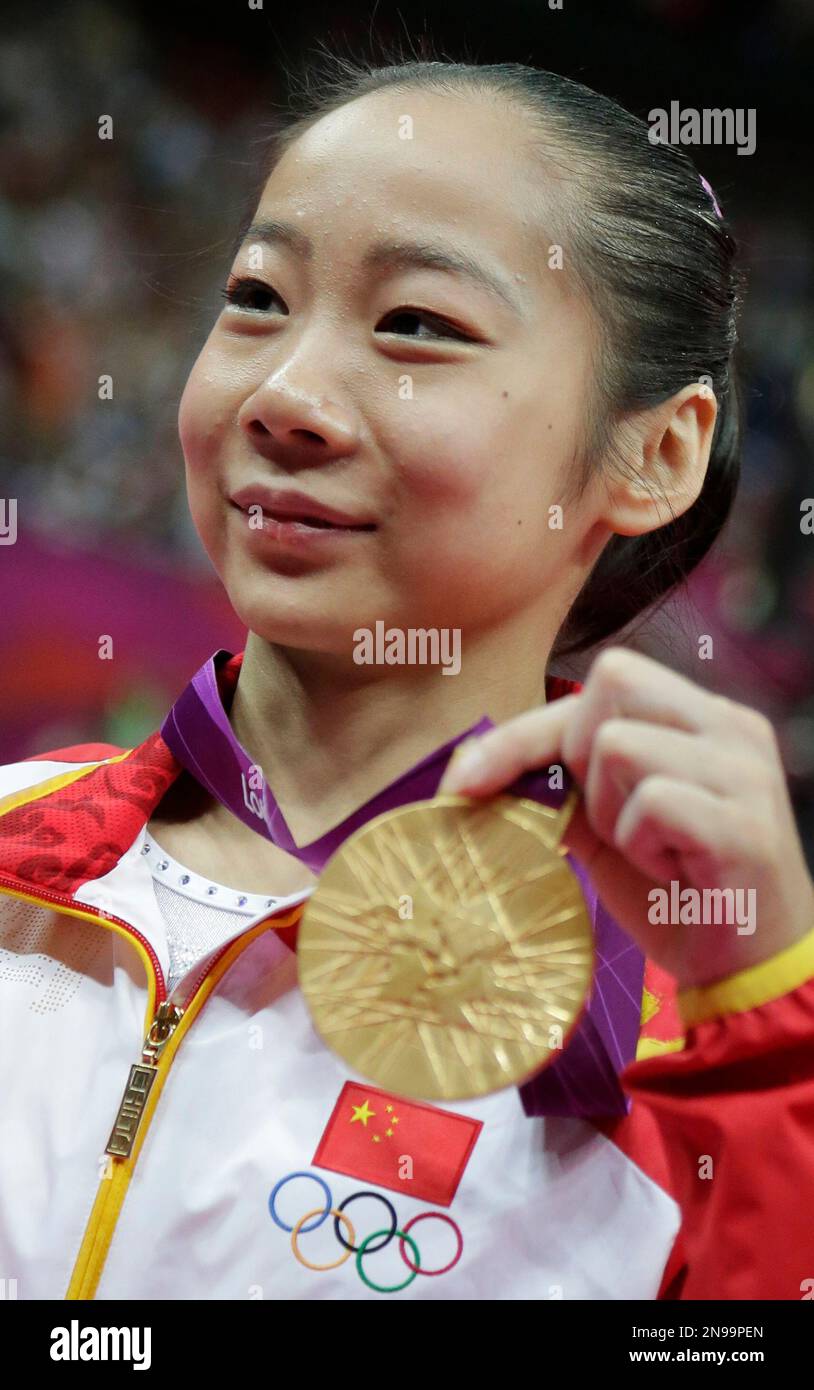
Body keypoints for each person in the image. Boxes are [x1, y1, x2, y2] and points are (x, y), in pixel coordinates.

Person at [1, 52, 813, 1302]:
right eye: (258, 297)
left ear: (654, 451)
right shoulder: (17, 843)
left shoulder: (701, 1043)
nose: (284, 396)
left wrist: (764, 1051)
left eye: (416, 325)